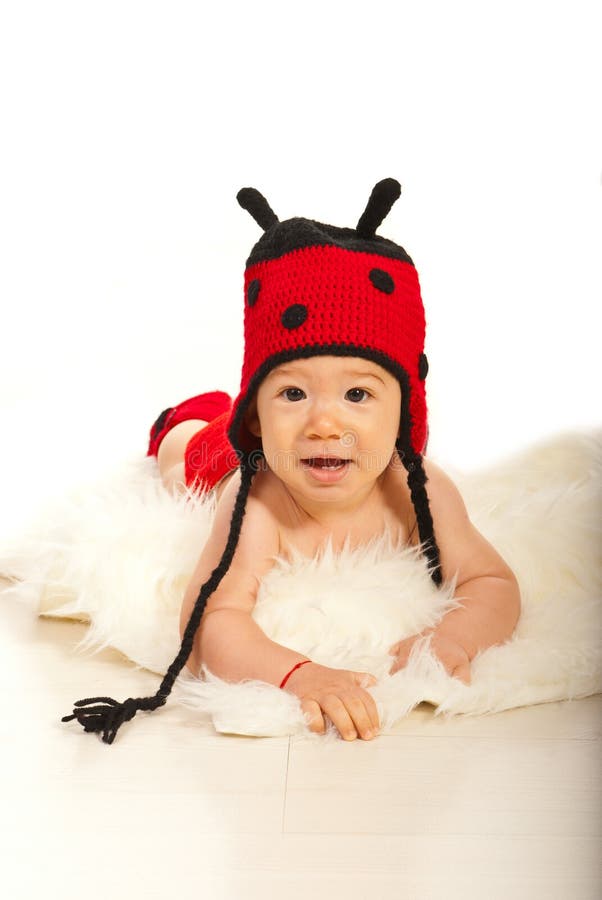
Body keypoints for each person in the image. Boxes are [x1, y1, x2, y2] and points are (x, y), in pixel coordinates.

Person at [62, 179, 521, 745]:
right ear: (257, 415)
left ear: (404, 415)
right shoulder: (255, 502)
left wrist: (453, 637)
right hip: (226, 454)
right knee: (183, 460)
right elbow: (210, 618)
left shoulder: (418, 489)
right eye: (293, 394)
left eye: (357, 395)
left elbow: (491, 580)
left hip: (258, 426)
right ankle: (189, 417)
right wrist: (298, 674)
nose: (324, 425)